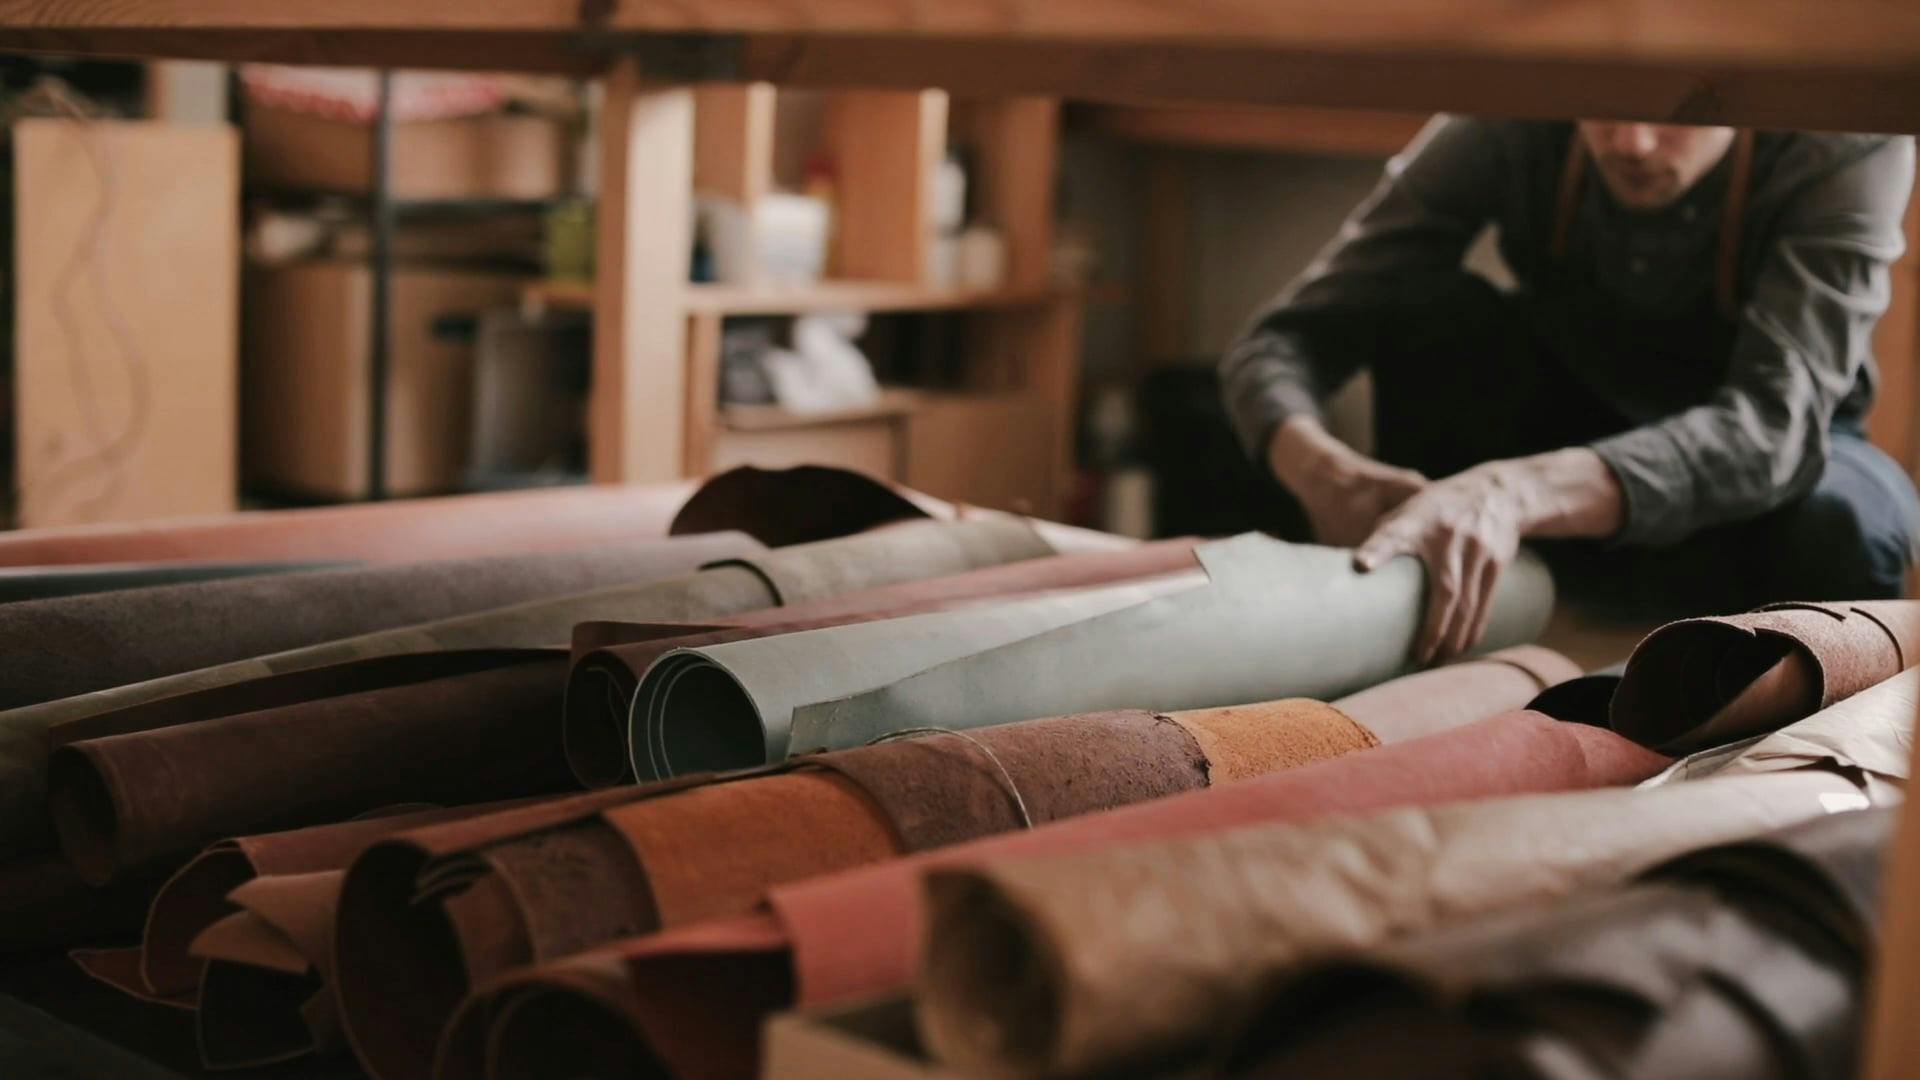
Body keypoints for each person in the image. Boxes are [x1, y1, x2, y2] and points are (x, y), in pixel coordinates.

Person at [1223, 117, 1920, 663]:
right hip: (1565, 425)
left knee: (1848, 528)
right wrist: (1320, 473)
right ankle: (1435, 625)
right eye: (1604, 109)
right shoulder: (1512, 119)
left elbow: (1771, 428)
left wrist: (1510, 492)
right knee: (1427, 312)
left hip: (1769, 470)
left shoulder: (1842, 141)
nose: (1632, 144)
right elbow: (1282, 341)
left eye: (1672, 116)